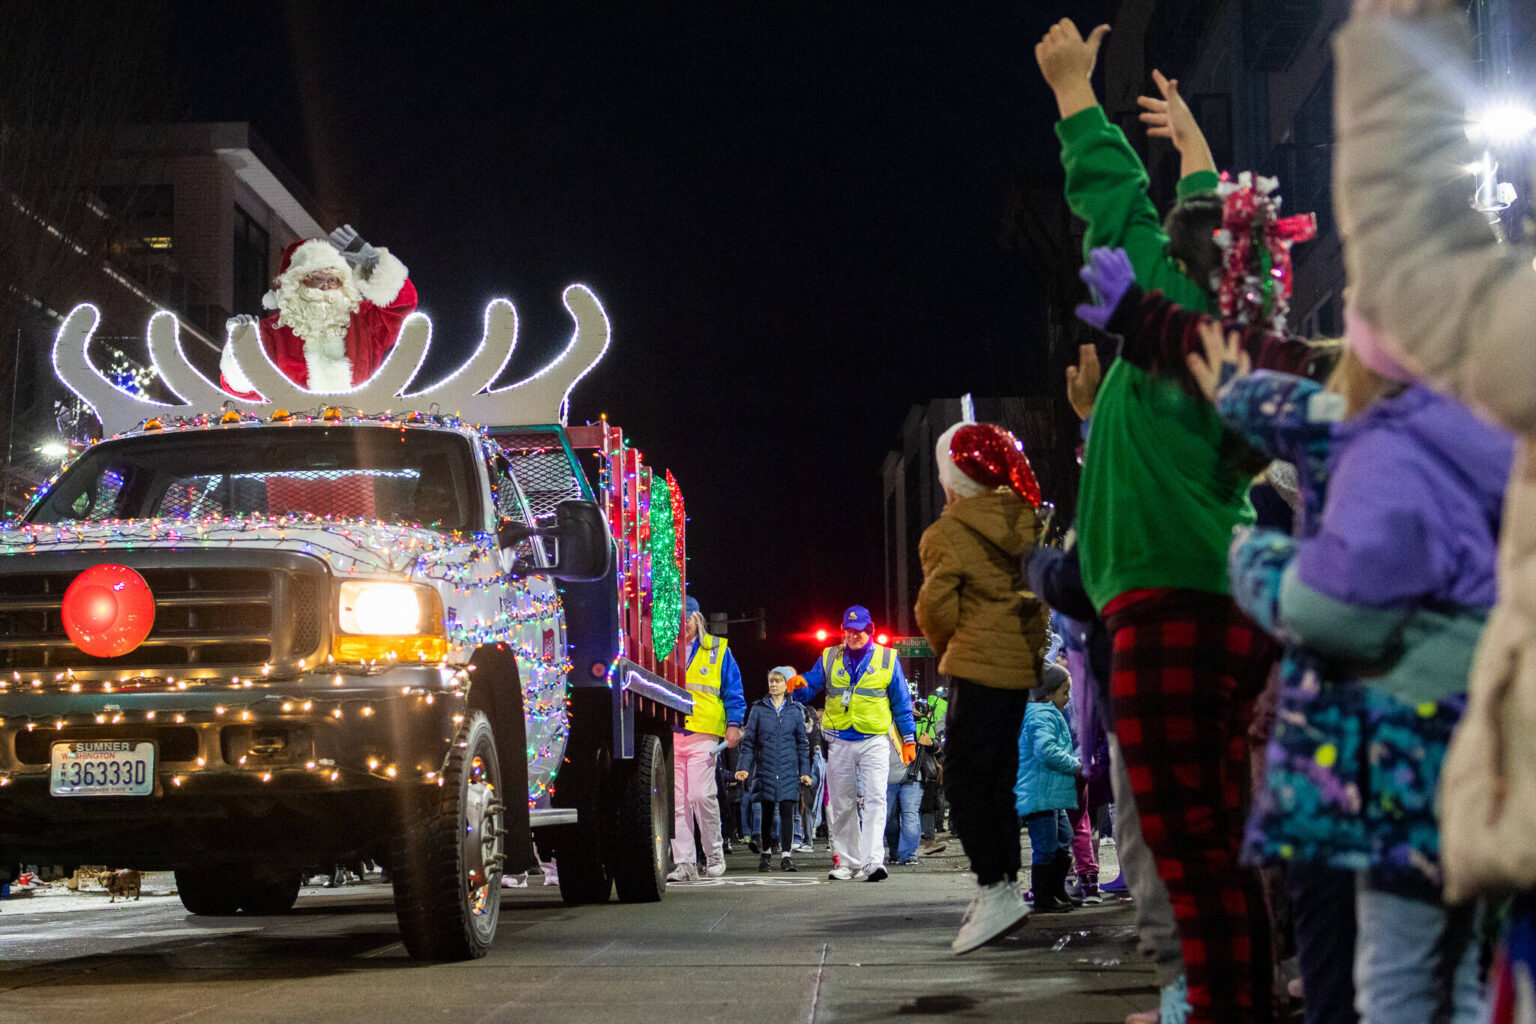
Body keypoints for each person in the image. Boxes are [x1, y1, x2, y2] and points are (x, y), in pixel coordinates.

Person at [1333, 7, 1536, 1013]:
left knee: (1403, 969)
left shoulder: (1395, 452)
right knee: (1467, 969)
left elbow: (1342, 603)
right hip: (1495, 732)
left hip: (1418, 736)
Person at [914, 421, 1050, 954]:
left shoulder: (946, 533)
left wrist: (955, 642)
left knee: (966, 781)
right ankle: (1004, 884)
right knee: (1000, 779)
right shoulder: (1023, 520)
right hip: (1018, 667)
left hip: (976, 667)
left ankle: (994, 887)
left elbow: (935, 610)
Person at [788, 605, 916, 884]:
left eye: (859, 631)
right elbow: (811, 684)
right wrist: (800, 685)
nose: (853, 635)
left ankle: (872, 862)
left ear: (870, 631)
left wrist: (909, 739)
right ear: (843, 631)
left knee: (875, 799)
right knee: (842, 803)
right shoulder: (830, 656)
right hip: (840, 740)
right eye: (849, 630)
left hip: (874, 740)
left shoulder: (887, 658)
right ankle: (847, 863)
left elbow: (902, 702)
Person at [221, 225, 415, 396]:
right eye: (316, 279)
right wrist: (241, 348)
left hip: (358, 433)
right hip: (292, 435)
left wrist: (373, 263)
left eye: (333, 280)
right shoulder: (268, 334)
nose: (325, 287)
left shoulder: (365, 322)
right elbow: (241, 390)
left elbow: (402, 306)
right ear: (294, 285)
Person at [666, 596, 745, 882]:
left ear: (697, 619)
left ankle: (713, 853)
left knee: (701, 796)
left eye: (687, 619)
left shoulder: (718, 649)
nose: (682, 625)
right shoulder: (664, 649)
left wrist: (733, 725)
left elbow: (733, 691)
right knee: (677, 803)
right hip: (673, 733)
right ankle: (685, 862)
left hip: (704, 734)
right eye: (677, 620)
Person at [1016, 663, 1081, 913]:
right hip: (1039, 794)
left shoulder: (1050, 713)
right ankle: (1044, 897)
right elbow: (1046, 751)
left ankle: (1057, 891)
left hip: (1050, 793)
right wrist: (1074, 765)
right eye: (1065, 692)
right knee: (1046, 846)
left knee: (1064, 840)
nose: (1068, 697)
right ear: (1048, 693)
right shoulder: (1042, 715)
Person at [736, 667, 812, 872]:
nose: (773, 684)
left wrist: (805, 771)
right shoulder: (758, 709)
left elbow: (802, 744)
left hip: (788, 768)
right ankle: (766, 853)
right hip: (766, 768)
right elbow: (749, 741)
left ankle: (787, 856)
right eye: (771, 680)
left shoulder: (796, 710)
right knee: (767, 811)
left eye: (778, 681)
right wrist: (743, 767)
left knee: (788, 810)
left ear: (786, 684)